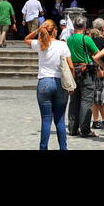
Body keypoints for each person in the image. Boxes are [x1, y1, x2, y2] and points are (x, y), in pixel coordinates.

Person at [26, 19, 70, 150]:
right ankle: (63, 148)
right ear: (55, 31)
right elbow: (71, 66)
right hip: (59, 82)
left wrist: (38, 30)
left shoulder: (40, 44)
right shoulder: (62, 45)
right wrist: (71, 83)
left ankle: (43, 148)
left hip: (44, 82)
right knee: (60, 120)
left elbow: (26, 39)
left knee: (46, 120)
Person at [64, 16, 99, 137]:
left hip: (72, 71)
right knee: (86, 101)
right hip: (86, 72)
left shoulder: (69, 39)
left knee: (74, 101)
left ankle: (73, 129)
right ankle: (85, 129)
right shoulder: (86, 39)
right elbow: (97, 54)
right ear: (84, 27)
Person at [88, 18, 104, 131]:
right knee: (98, 97)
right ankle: (96, 121)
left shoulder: (94, 39)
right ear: (102, 28)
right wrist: (100, 68)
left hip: (100, 71)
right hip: (100, 71)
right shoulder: (99, 40)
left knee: (101, 97)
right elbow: (93, 56)